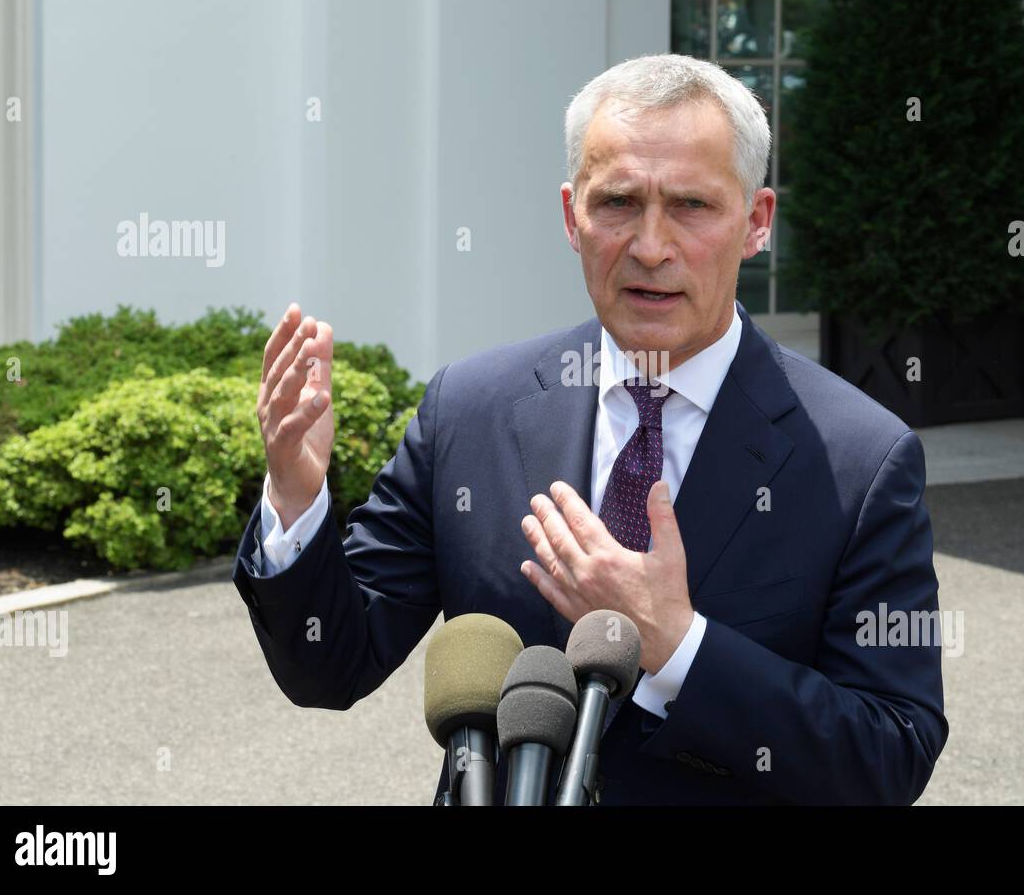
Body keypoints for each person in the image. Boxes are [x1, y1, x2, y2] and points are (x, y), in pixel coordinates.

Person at [231, 54, 948, 804]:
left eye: (691, 206)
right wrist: (295, 493)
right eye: (618, 203)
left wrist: (678, 647)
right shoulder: (469, 410)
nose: (649, 246)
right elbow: (330, 667)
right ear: (572, 216)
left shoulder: (859, 462)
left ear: (756, 223)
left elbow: (889, 754)